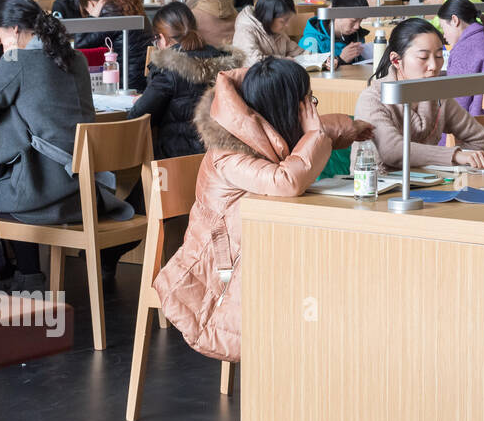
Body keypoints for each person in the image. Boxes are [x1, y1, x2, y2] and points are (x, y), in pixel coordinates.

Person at [152, 58, 372, 363]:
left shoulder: (261, 133)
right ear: (285, 108)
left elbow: (314, 131)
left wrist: (350, 126)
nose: (311, 110)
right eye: (307, 103)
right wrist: (315, 136)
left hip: (257, 247)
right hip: (220, 267)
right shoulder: (228, 153)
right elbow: (286, 181)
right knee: (326, 287)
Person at [0, 0, 136, 290]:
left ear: (14, 29)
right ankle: (27, 273)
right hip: (85, 193)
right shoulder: (76, 58)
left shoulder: (18, 59)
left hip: (43, 195)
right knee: (16, 120)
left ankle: (17, 275)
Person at [354, 18, 484, 170]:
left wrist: (462, 168)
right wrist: (454, 156)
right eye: (423, 57)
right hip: (376, 188)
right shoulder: (372, 98)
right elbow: (391, 150)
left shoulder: (438, 96)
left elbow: (480, 138)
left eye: (439, 56)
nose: (434, 66)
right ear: (396, 60)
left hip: (428, 186)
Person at [127, 2, 242, 158]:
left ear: (163, 38)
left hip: (176, 157)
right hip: (220, 156)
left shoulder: (168, 70)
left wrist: (141, 100)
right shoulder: (225, 62)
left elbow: (138, 117)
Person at [76, 0, 152, 90]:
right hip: (142, 72)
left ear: (91, 3)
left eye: (87, 10)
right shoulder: (124, 3)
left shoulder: (110, 10)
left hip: (129, 78)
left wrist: (92, 17)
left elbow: (80, 44)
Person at [232, 0, 304, 65]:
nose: (287, 25)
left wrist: (310, 57)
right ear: (268, 18)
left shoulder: (275, 30)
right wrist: (283, 60)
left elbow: (295, 51)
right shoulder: (245, 31)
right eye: (283, 21)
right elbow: (254, 63)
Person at [298, 0, 370, 64]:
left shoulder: (357, 36)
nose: (357, 26)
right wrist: (341, 60)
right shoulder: (311, 41)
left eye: (361, 20)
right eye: (353, 21)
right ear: (336, 14)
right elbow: (308, 72)